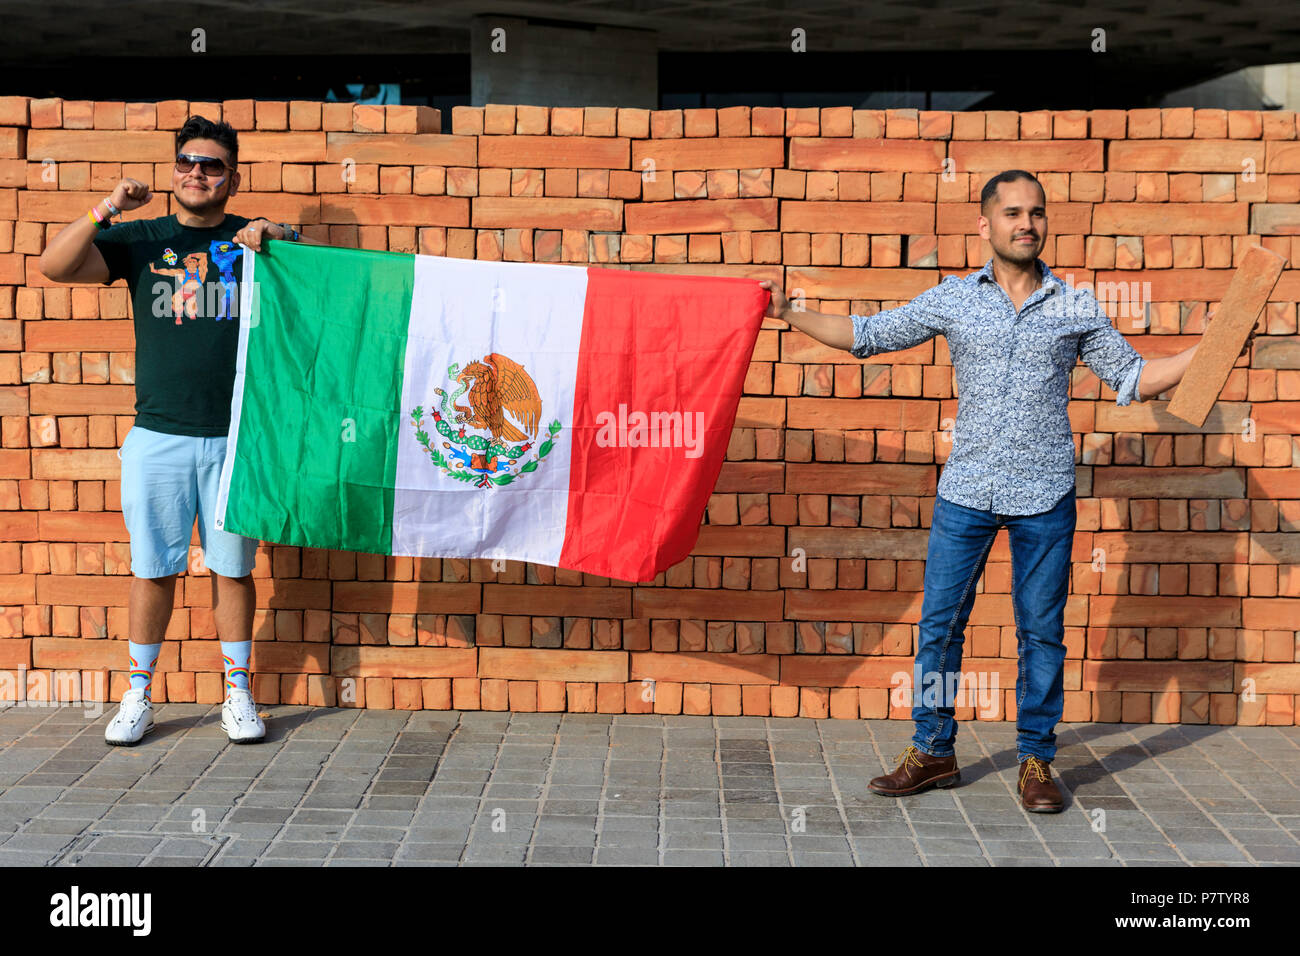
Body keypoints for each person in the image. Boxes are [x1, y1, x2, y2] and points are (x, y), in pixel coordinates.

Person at [760, 169, 1253, 814]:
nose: (1027, 223)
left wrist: (1210, 349)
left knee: (1042, 634)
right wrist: (788, 311)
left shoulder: (1075, 307)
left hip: (1045, 496)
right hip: (966, 492)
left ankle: (1037, 761)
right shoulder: (955, 299)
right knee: (939, 628)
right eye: (1014, 212)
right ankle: (933, 751)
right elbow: (865, 336)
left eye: (1038, 213)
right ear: (985, 224)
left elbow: (1132, 378)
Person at [38, 115, 321, 746]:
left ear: (232, 177)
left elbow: (319, 276)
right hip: (158, 436)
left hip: (236, 437)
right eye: (188, 162)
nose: (198, 172)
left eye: (213, 164)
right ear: (173, 172)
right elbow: (55, 266)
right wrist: (109, 205)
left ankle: (239, 696)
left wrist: (282, 231)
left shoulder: (254, 242)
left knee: (233, 570)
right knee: (153, 569)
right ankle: (138, 697)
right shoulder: (142, 239)